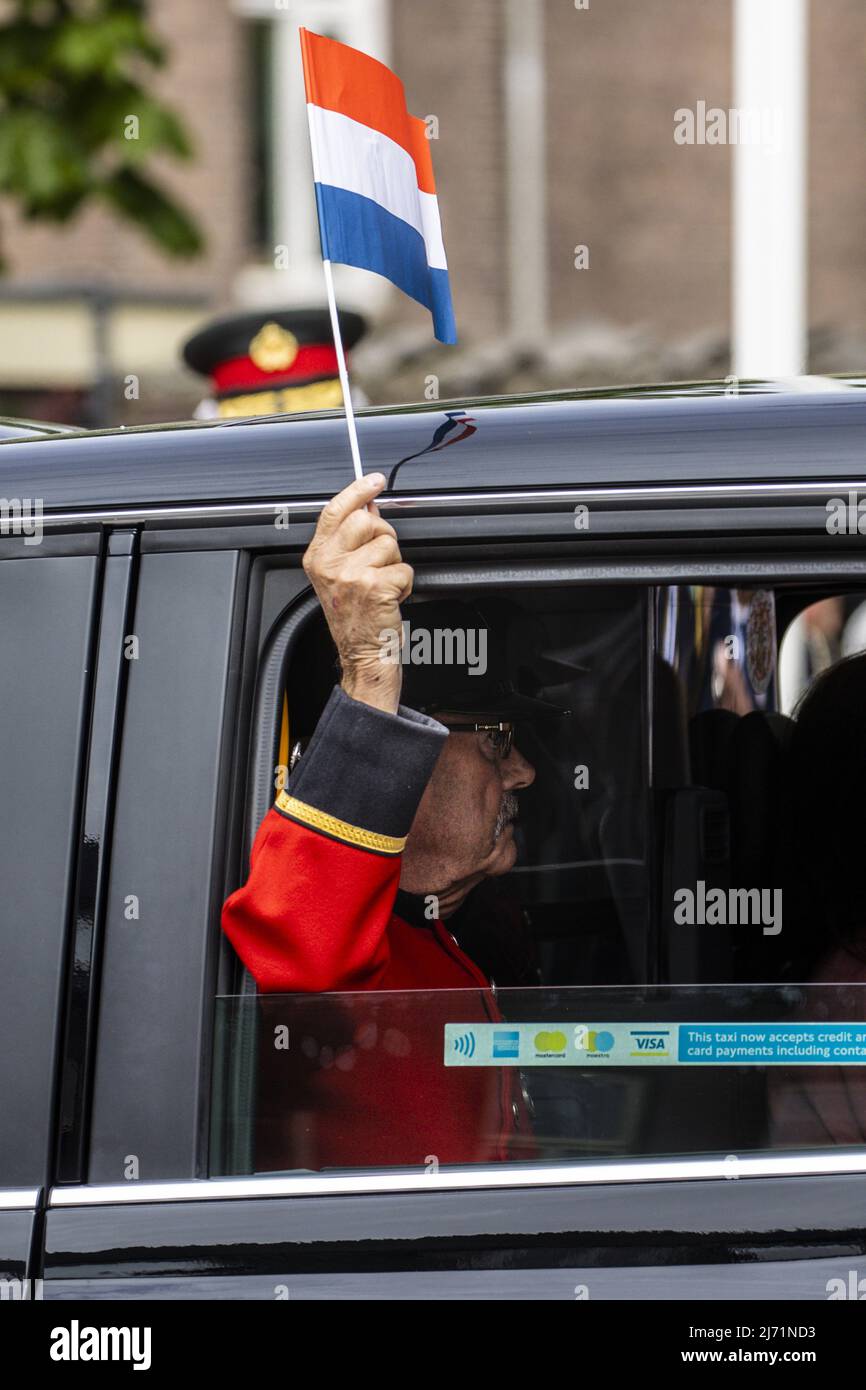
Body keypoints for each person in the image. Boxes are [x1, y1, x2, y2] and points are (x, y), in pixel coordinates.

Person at [221, 472, 556, 1170]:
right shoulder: (346, 954)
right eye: (497, 739)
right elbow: (303, 959)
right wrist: (373, 674)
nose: (523, 770)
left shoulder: (453, 931)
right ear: (408, 757)